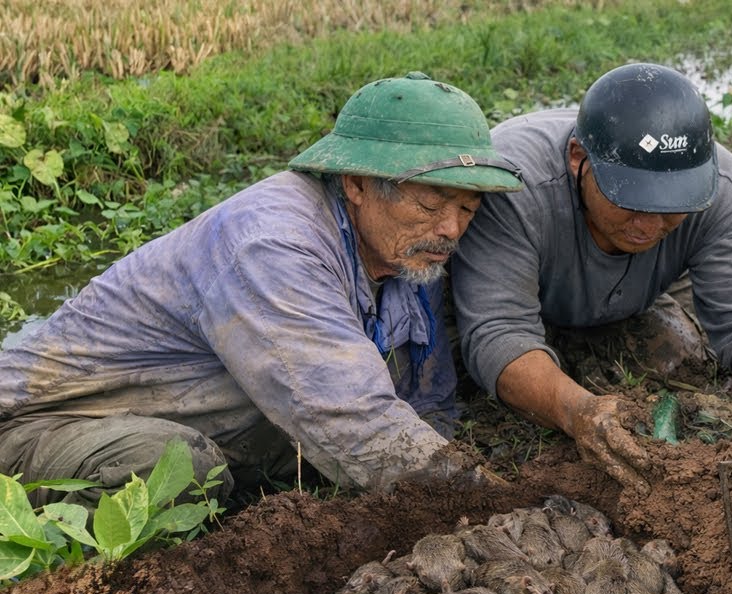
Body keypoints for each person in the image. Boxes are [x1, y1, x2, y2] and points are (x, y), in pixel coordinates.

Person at [0, 72, 524, 507]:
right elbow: (349, 416)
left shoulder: (404, 255)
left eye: (468, 209)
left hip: (189, 413)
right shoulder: (273, 243)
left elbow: (422, 398)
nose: (451, 230)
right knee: (175, 471)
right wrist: (488, 502)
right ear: (357, 184)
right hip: (42, 427)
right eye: (432, 206)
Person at [451, 63, 732, 494]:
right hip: (518, 285)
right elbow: (497, 332)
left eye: (671, 204)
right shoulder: (514, 187)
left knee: (679, 357)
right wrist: (575, 411)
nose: (649, 223)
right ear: (578, 159)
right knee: (460, 377)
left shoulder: (724, 190)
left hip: (631, 298)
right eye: (631, 200)